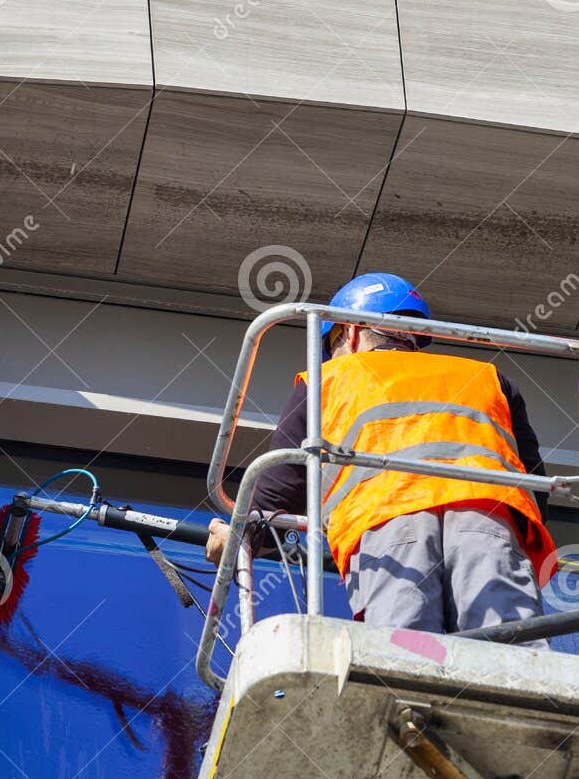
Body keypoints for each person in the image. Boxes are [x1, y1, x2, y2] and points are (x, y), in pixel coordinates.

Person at [205, 273, 554, 638]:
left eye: (333, 343)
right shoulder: (487, 376)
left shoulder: (328, 380)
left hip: (388, 526)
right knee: (507, 643)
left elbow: (280, 486)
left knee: (408, 647)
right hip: (489, 523)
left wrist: (238, 539)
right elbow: (534, 481)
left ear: (350, 333)